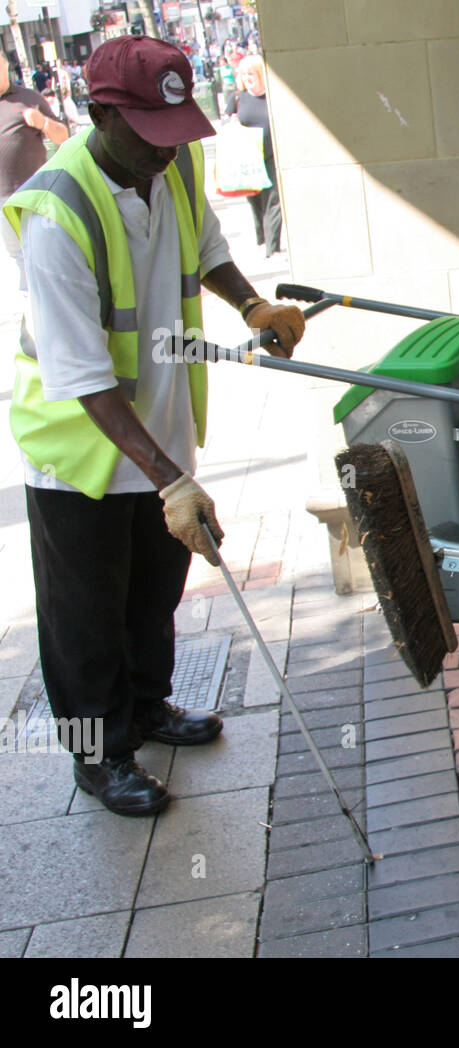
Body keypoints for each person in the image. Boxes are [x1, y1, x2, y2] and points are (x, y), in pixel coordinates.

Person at [3, 35, 306, 817]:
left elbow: (205, 247)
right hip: (82, 453)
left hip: (160, 432)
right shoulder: (55, 213)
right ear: (101, 114)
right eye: (150, 136)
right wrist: (168, 477)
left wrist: (252, 303)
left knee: (152, 592)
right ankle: (97, 756)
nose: (167, 154)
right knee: (84, 615)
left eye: (177, 135)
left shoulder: (171, 164)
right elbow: (83, 378)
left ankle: (148, 708)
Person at [1, 60, 70, 297]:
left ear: (6, 66)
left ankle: (54, 301)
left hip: (34, 194)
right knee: (20, 257)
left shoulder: (28, 98)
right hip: (3, 200)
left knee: (47, 251)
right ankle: (35, 308)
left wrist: (43, 122)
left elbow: (63, 136)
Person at [228, 55, 280, 257]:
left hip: (271, 155)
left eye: (252, 73)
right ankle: (262, 237)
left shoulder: (272, 96)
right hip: (249, 158)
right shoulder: (238, 97)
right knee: (255, 201)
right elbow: (228, 120)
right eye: (244, 74)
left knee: (273, 200)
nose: (248, 77)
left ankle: (272, 247)